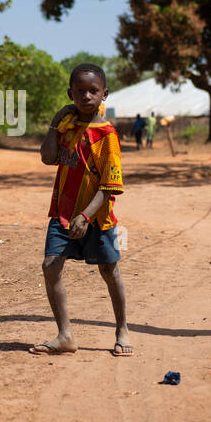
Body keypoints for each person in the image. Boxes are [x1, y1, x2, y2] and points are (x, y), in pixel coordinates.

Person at [35, 64, 131, 357]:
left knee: (109, 270)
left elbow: (110, 184)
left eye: (93, 90)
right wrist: (54, 123)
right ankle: (65, 335)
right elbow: (48, 158)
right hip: (63, 213)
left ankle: (122, 329)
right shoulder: (66, 128)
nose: (87, 96)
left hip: (97, 217)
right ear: (70, 93)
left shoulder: (107, 135)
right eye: (80, 91)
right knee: (50, 266)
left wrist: (87, 215)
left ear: (105, 93)